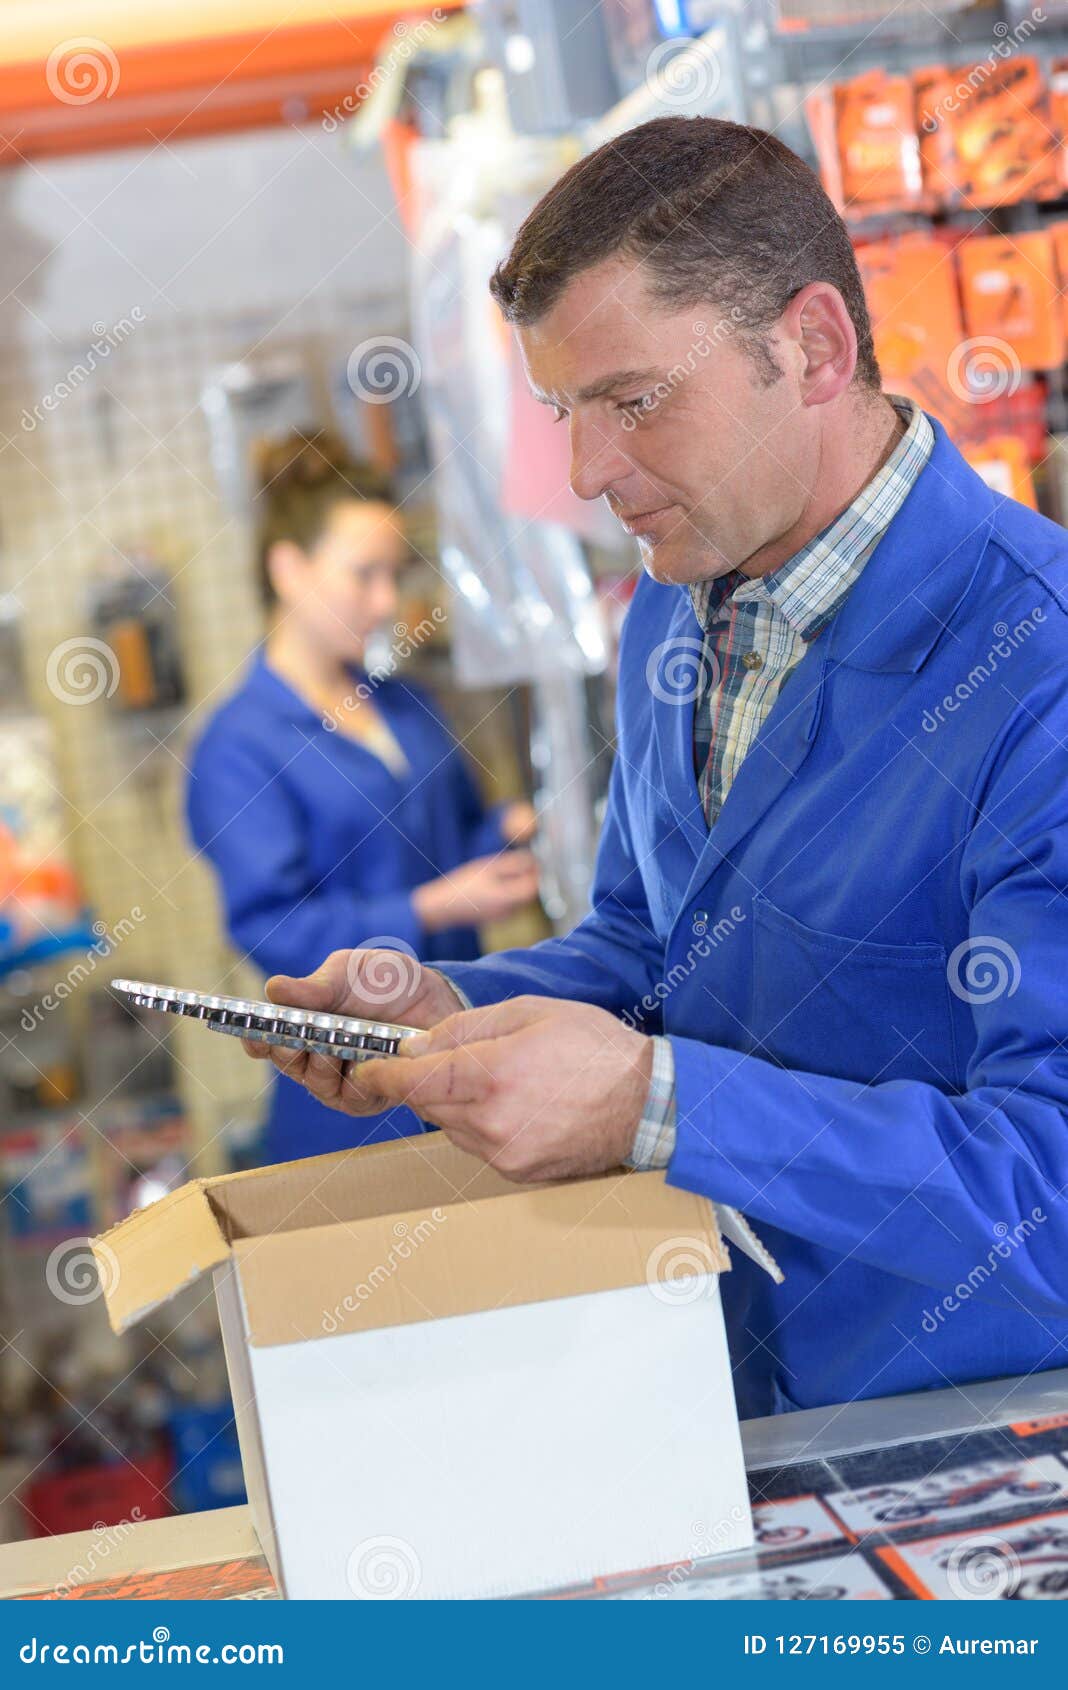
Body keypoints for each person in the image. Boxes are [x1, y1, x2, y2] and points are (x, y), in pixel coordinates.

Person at [239, 119, 1068, 1417]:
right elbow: (643, 945)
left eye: (633, 401)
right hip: (719, 1395)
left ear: (812, 349)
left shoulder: (1038, 671)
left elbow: (1049, 1191)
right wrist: (452, 1007)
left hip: (976, 1452)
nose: (586, 473)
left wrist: (655, 1103)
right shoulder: (673, 615)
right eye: (567, 412)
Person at [187, 429, 538, 1163]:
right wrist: (434, 907)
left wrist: (512, 834)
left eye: (395, 575)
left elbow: (457, 841)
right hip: (347, 1092)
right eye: (363, 575)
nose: (384, 602)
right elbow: (274, 931)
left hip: (460, 1054)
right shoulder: (238, 747)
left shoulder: (407, 706)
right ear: (288, 569)